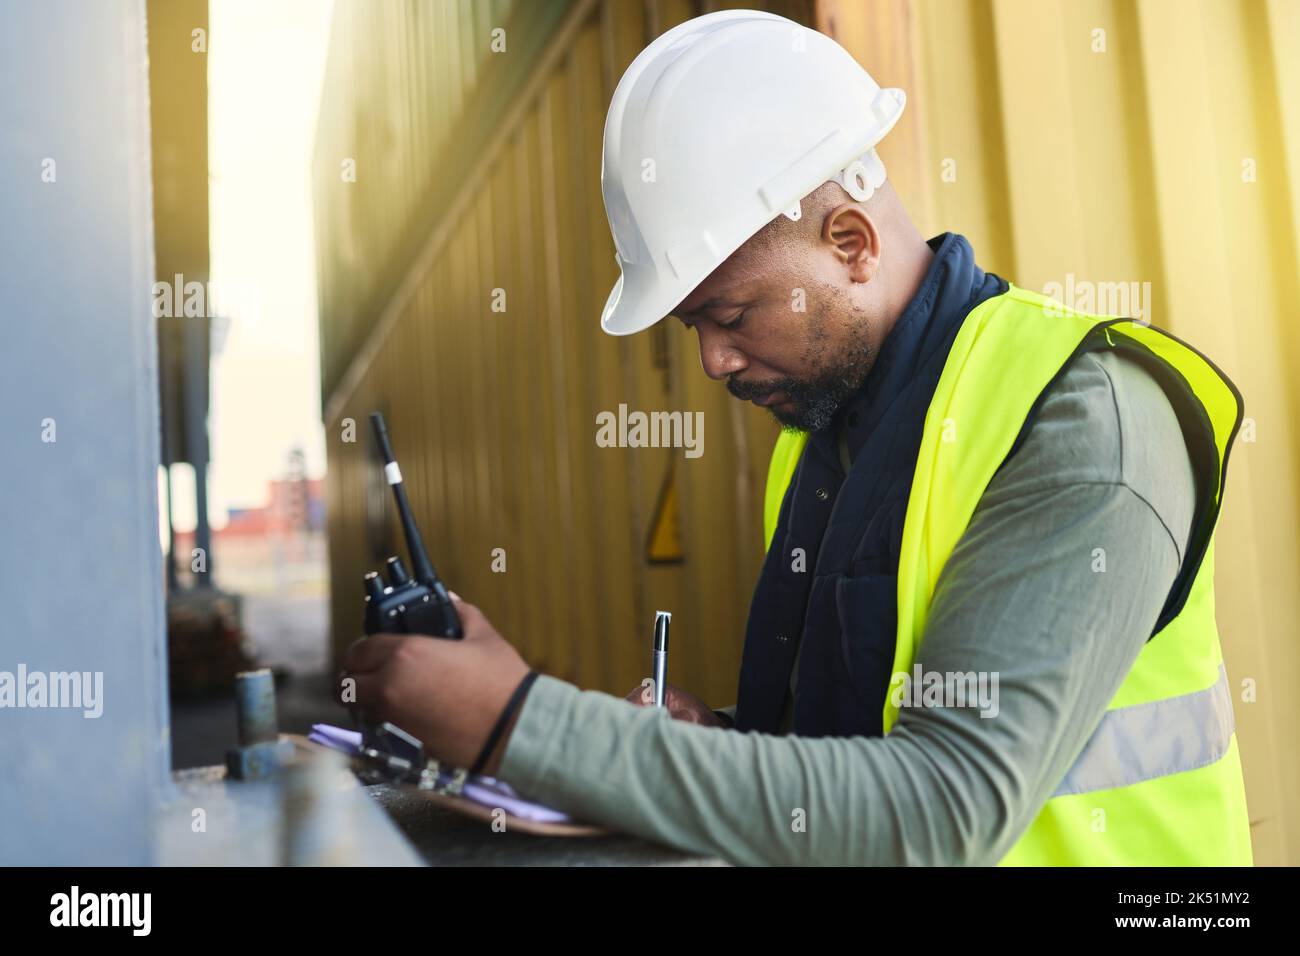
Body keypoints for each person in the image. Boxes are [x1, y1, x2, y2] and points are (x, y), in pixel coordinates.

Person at [343, 10, 1252, 865]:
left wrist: (520, 725)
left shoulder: (1086, 424)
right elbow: (854, 740)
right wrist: (724, 739)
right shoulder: (827, 434)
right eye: (692, 327)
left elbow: (945, 806)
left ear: (851, 241)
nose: (711, 362)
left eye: (730, 314)